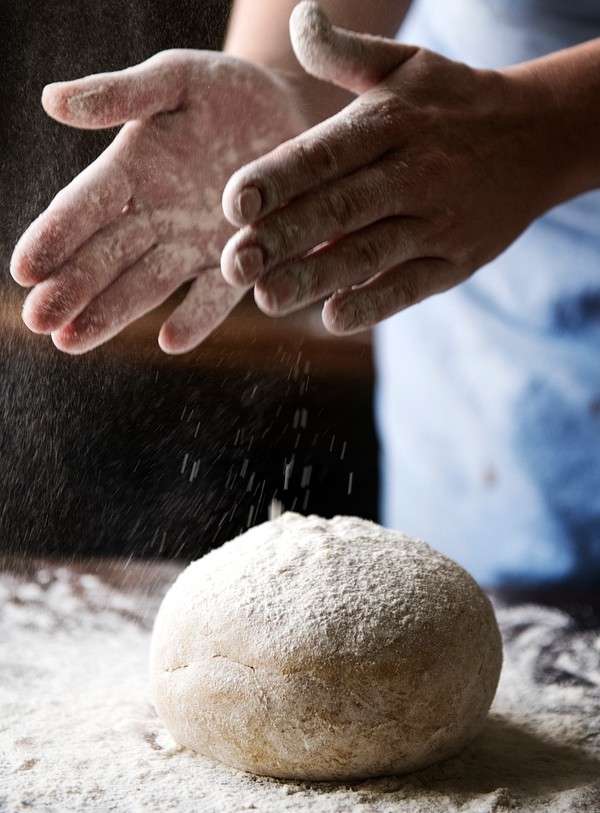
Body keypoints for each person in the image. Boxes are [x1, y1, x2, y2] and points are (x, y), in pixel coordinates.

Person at [10, 0, 600, 590]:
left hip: (484, 157)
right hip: (478, 320)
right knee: (460, 642)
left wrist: (540, 130)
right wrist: (286, 77)